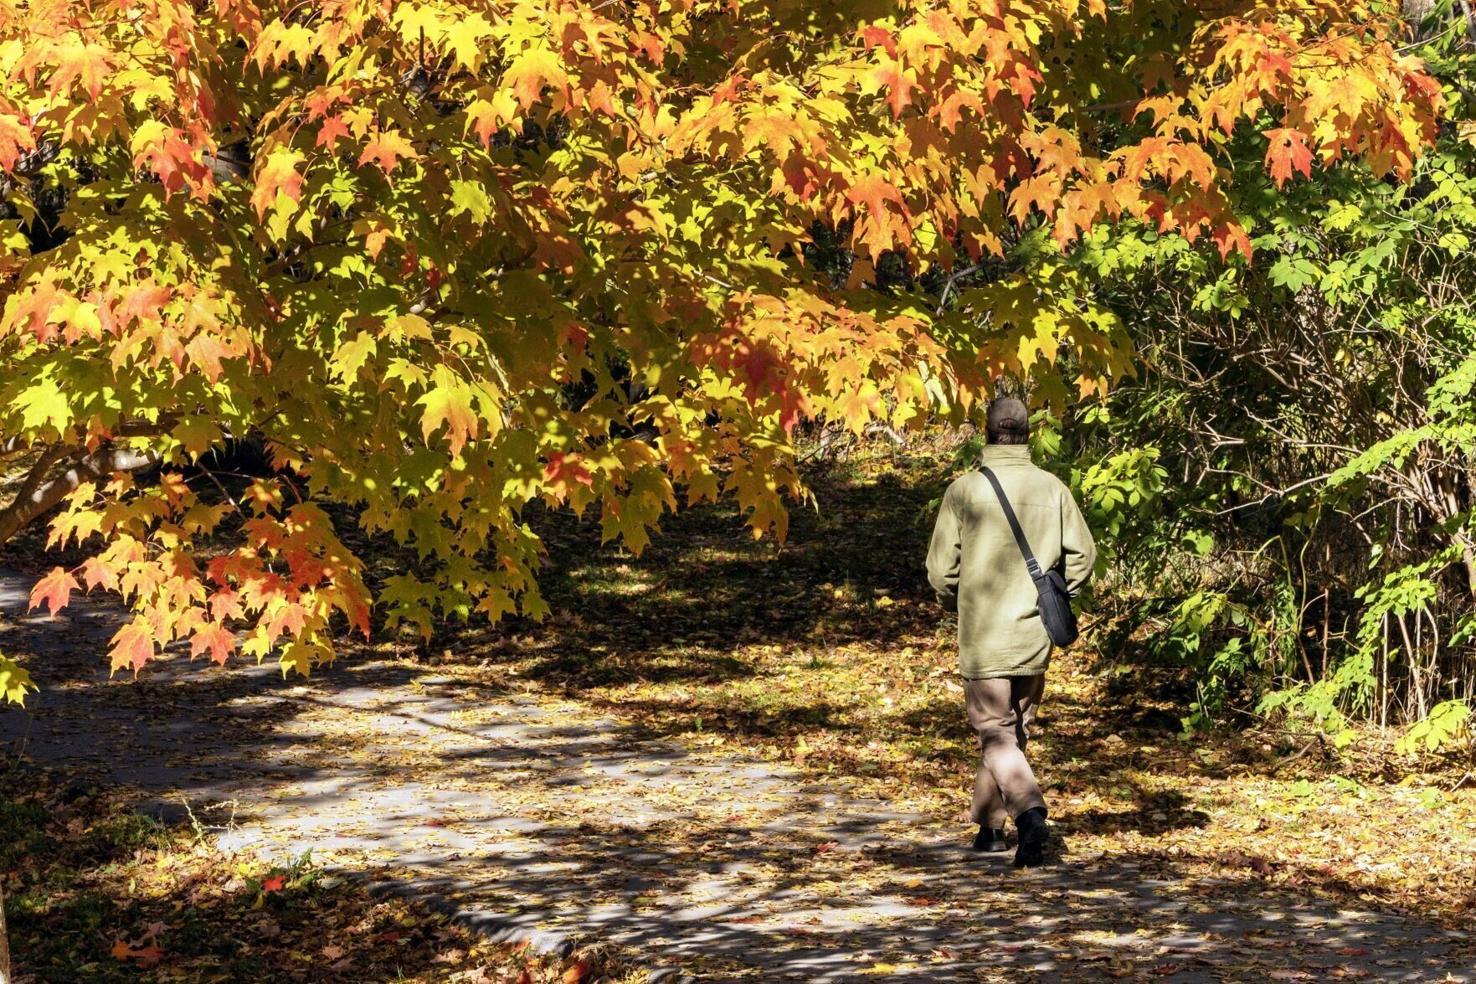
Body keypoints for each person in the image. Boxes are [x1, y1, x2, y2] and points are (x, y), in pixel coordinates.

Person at [925, 397, 1096, 867]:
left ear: (986, 433)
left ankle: (1030, 816)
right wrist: (1058, 595)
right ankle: (989, 830)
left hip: (984, 635)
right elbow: (1083, 556)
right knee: (1012, 734)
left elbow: (940, 573)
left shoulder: (963, 491)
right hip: (1034, 633)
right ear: (1028, 434)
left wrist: (957, 602)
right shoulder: (1053, 487)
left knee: (995, 734)